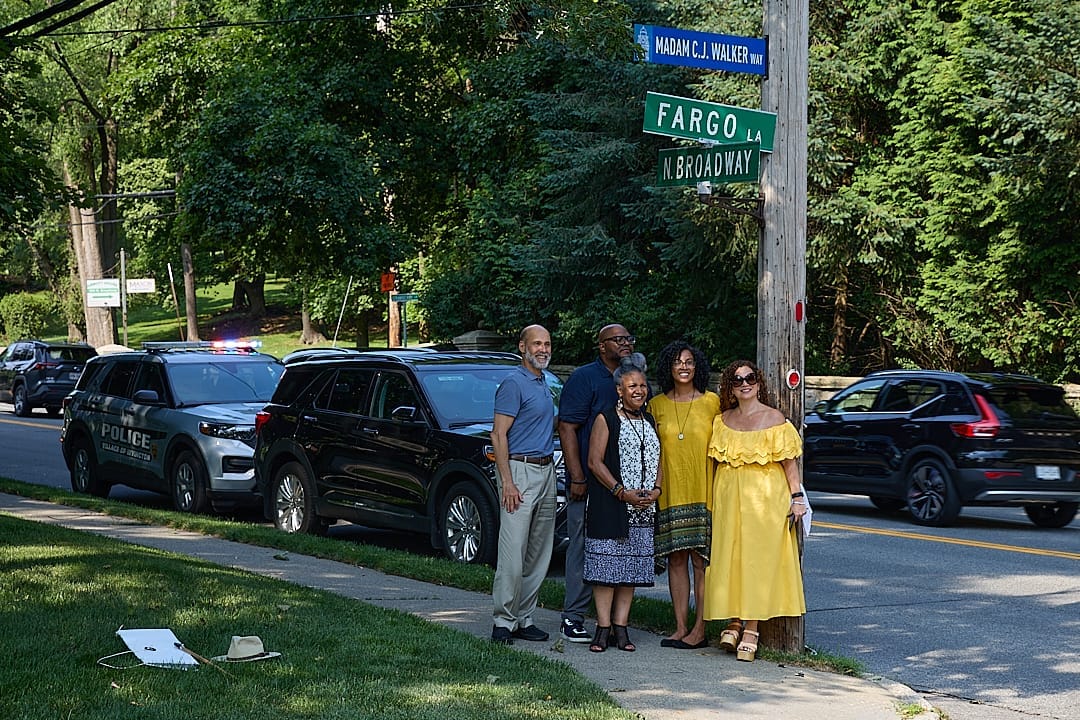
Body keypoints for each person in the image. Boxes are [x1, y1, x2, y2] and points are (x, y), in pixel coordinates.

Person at [702, 360, 807, 662]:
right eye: (737, 380)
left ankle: (751, 627)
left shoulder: (775, 419)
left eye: (749, 378)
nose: (744, 383)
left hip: (766, 496)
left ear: (759, 383)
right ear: (730, 388)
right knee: (731, 556)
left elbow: (789, 463)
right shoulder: (722, 421)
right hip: (729, 496)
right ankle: (734, 619)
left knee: (757, 560)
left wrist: (797, 497)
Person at [557, 324, 640, 643]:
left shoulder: (630, 379)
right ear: (600, 345)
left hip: (624, 485)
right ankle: (573, 616)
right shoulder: (584, 378)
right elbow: (567, 428)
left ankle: (609, 622)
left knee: (613, 548)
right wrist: (577, 476)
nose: (625, 344)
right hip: (590, 481)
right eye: (617, 340)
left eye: (628, 339)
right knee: (581, 544)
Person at [583, 355, 661, 652]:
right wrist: (619, 491)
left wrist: (657, 489)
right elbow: (594, 462)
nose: (639, 390)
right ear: (619, 389)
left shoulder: (649, 419)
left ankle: (622, 628)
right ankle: (602, 629)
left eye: (642, 385)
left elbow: (659, 457)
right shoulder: (606, 418)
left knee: (629, 570)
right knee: (606, 569)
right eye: (632, 385)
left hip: (642, 508)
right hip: (612, 504)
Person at [647, 341, 720, 650]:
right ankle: (680, 627)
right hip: (669, 494)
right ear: (669, 367)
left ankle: (700, 629)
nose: (684, 367)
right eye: (677, 362)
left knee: (700, 562)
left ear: (697, 366)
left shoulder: (713, 402)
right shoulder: (656, 405)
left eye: (689, 361)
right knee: (676, 561)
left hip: (703, 493)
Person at [490, 325, 558, 644]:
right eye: (537, 344)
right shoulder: (513, 383)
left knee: (539, 553)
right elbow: (498, 435)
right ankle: (503, 622)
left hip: (545, 471)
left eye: (546, 344)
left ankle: (524, 617)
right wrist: (507, 482)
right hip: (519, 471)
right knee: (513, 554)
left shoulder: (543, 382)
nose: (543, 349)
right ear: (522, 347)